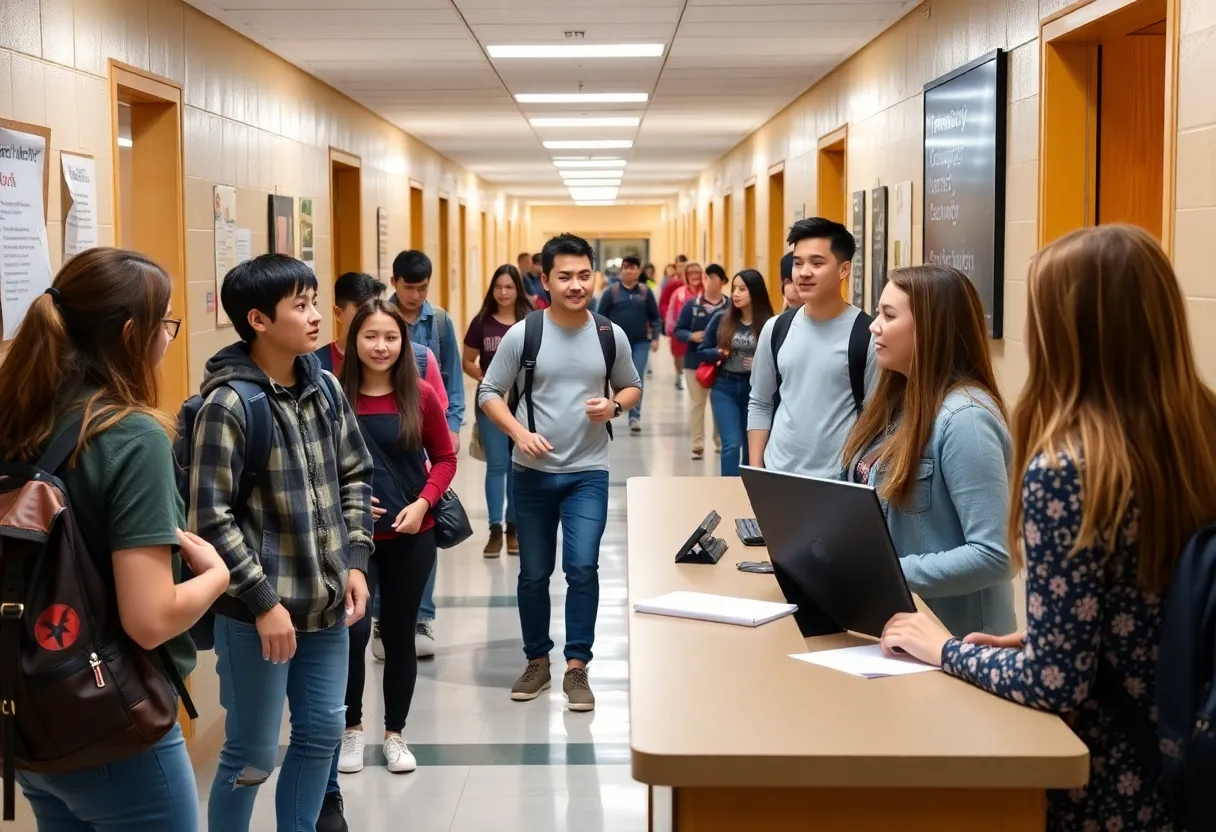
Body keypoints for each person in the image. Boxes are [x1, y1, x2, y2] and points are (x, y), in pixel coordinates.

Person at [879, 225, 1216, 831]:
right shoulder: (1200, 434)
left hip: (1110, 768)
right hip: (1188, 732)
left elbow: (1055, 684)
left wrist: (947, 650)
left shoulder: (1067, 469)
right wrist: (1041, 638)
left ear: (1068, 330)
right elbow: (1149, 601)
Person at [0, 249, 228, 831]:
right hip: (113, 727)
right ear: (133, 333)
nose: (170, 337)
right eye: (167, 324)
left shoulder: (13, 415)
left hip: (27, 714)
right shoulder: (130, 435)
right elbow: (149, 618)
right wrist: (216, 577)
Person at [193, 253, 373, 832]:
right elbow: (210, 518)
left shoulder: (323, 386)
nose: (317, 316)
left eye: (315, 301)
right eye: (301, 305)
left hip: (325, 611)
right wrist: (264, 603)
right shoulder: (230, 404)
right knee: (249, 755)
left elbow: (354, 473)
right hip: (256, 616)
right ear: (259, 320)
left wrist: (355, 559)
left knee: (321, 737)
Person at [478, 233, 642, 712]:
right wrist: (517, 434)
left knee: (583, 567)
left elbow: (631, 386)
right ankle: (537, 661)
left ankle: (576, 667)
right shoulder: (524, 333)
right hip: (530, 473)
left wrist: (612, 405)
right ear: (544, 279)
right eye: (564, 276)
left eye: (583, 275)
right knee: (533, 573)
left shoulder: (610, 334)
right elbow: (489, 391)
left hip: (588, 472)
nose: (575, 285)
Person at [841, 265, 1016, 637]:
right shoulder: (895, 400)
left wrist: (885, 573)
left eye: (889, 316)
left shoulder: (966, 419)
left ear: (931, 329)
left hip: (956, 640)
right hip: (895, 628)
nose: (874, 326)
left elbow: (995, 555)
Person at [330, 299, 456, 788]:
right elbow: (320, 466)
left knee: (399, 636)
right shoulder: (332, 395)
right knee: (352, 635)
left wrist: (423, 504)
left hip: (411, 537)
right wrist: (351, 504)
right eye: (370, 336)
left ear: (403, 344)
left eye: (390, 337)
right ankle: (352, 728)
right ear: (352, 342)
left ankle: (395, 733)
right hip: (351, 541)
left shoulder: (419, 394)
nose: (380, 346)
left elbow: (444, 458)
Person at [747, 217, 878, 478]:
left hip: (837, 481)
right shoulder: (776, 329)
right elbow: (760, 402)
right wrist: (756, 471)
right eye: (798, 263)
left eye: (817, 263)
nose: (804, 272)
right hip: (777, 474)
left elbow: (877, 417)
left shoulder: (868, 335)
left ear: (844, 269)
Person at [389, 250, 463, 658]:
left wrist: (451, 431)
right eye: (409, 287)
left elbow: (450, 379)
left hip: (428, 437)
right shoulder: (378, 319)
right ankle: (385, 616)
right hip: (386, 437)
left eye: (423, 288)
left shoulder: (441, 321)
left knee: (426, 526)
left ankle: (422, 616)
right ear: (394, 282)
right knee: (386, 527)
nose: (416, 296)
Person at [463, 264, 531, 556]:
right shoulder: (482, 322)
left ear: (518, 290)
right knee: (498, 464)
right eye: (498, 287)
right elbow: (468, 360)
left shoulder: (530, 321)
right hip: (490, 404)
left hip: (523, 404)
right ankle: (494, 530)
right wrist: (488, 381)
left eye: (509, 287)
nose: (503, 293)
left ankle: (513, 528)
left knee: (517, 466)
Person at [697, 268, 775, 476]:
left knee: (752, 448)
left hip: (755, 391)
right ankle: (728, 490)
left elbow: (778, 359)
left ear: (755, 292)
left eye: (742, 289)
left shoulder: (769, 323)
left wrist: (759, 363)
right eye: (734, 289)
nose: (736, 294)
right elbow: (702, 351)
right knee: (731, 443)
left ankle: (748, 493)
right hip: (725, 387)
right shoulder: (722, 319)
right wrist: (719, 352)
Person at [597, 255, 661, 433]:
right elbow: (600, 317)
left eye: (632, 268)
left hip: (640, 342)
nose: (628, 271)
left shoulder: (645, 292)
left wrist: (655, 337)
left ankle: (635, 416)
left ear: (638, 271)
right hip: (616, 344)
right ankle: (609, 408)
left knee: (637, 377)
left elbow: (655, 317)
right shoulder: (612, 292)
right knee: (611, 378)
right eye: (625, 268)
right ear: (621, 271)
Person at [674, 263, 728, 460]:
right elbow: (678, 330)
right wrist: (691, 336)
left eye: (713, 277)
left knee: (719, 403)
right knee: (698, 403)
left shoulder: (729, 306)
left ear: (722, 281)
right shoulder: (692, 306)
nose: (708, 281)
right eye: (707, 277)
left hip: (722, 363)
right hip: (694, 362)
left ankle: (720, 441)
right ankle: (697, 444)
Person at [659, 261, 692, 391]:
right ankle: (680, 374)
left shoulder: (699, 287)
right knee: (678, 353)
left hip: (693, 327)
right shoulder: (673, 285)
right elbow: (663, 303)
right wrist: (669, 317)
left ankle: (689, 375)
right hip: (677, 325)